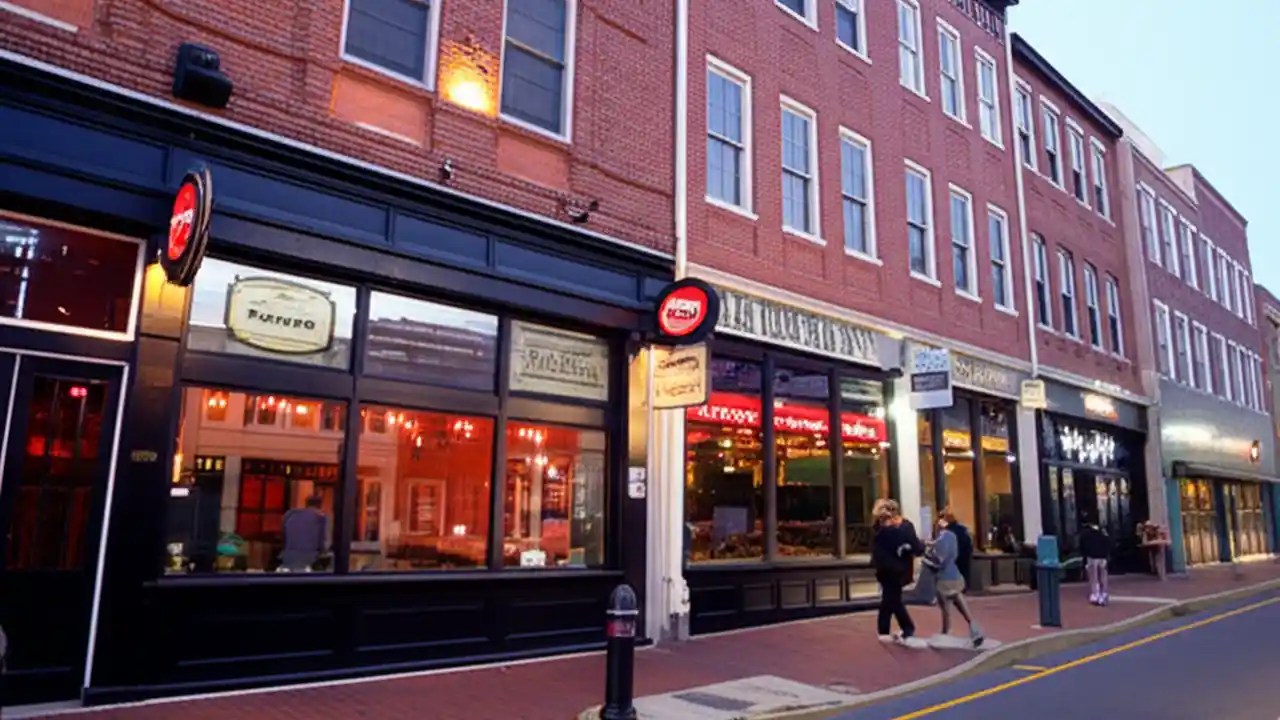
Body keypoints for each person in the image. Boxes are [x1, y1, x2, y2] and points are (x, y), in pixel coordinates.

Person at [926, 510, 984, 647]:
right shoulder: (953, 535)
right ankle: (974, 628)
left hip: (943, 576)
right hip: (955, 574)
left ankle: (945, 633)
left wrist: (929, 557)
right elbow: (955, 554)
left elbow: (940, 559)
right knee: (960, 603)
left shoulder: (943, 537)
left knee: (945, 607)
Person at [872, 499, 926, 647]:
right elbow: (916, 547)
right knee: (892, 599)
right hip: (899, 569)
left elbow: (877, 552)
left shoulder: (880, 531)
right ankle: (906, 628)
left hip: (885, 570)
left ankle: (886, 630)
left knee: (890, 598)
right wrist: (922, 546)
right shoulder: (904, 527)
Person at [280, 494, 328, 572]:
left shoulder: (290, 515)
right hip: (308, 559)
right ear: (320, 506)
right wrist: (324, 552)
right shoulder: (320, 517)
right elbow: (322, 541)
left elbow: (284, 537)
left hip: (288, 557)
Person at [1079, 514, 1113, 606]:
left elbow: (1082, 546)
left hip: (1092, 556)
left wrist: (1085, 555)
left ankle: (1095, 594)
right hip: (1102, 556)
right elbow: (1108, 543)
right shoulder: (1103, 532)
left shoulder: (1085, 533)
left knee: (1093, 576)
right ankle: (1104, 593)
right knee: (1103, 575)